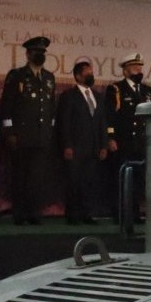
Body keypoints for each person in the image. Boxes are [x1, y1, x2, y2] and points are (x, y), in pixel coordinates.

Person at [0, 36, 58, 224]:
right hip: (21, 135)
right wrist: (9, 132)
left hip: (41, 136)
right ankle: (20, 214)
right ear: (28, 54)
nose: (40, 55)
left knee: (37, 178)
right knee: (20, 176)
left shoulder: (49, 77)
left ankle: (34, 213)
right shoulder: (17, 75)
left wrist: (50, 132)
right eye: (36, 52)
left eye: (42, 52)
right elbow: (6, 107)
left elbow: (51, 108)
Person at [56, 60, 108, 224]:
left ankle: (87, 214)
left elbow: (102, 122)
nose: (91, 75)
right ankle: (73, 215)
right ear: (78, 76)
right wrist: (67, 145)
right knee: (74, 181)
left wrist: (103, 145)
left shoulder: (97, 96)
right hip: (75, 147)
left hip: (93, 147)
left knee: (89, 182)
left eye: (91, 72)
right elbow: (64, 123)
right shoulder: (68, 96)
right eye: (87, 72)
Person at [104, 53, 151, 218]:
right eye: (134, 67)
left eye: (140, 67)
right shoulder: (116, 89)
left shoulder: (147, 91)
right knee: (122, 177)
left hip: (141, 142)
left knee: (138, 178)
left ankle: (135, 212)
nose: (138, 70)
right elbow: (109, 116)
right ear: (125, 71)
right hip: (123, 141)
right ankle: (120, 213)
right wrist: (111, 137)